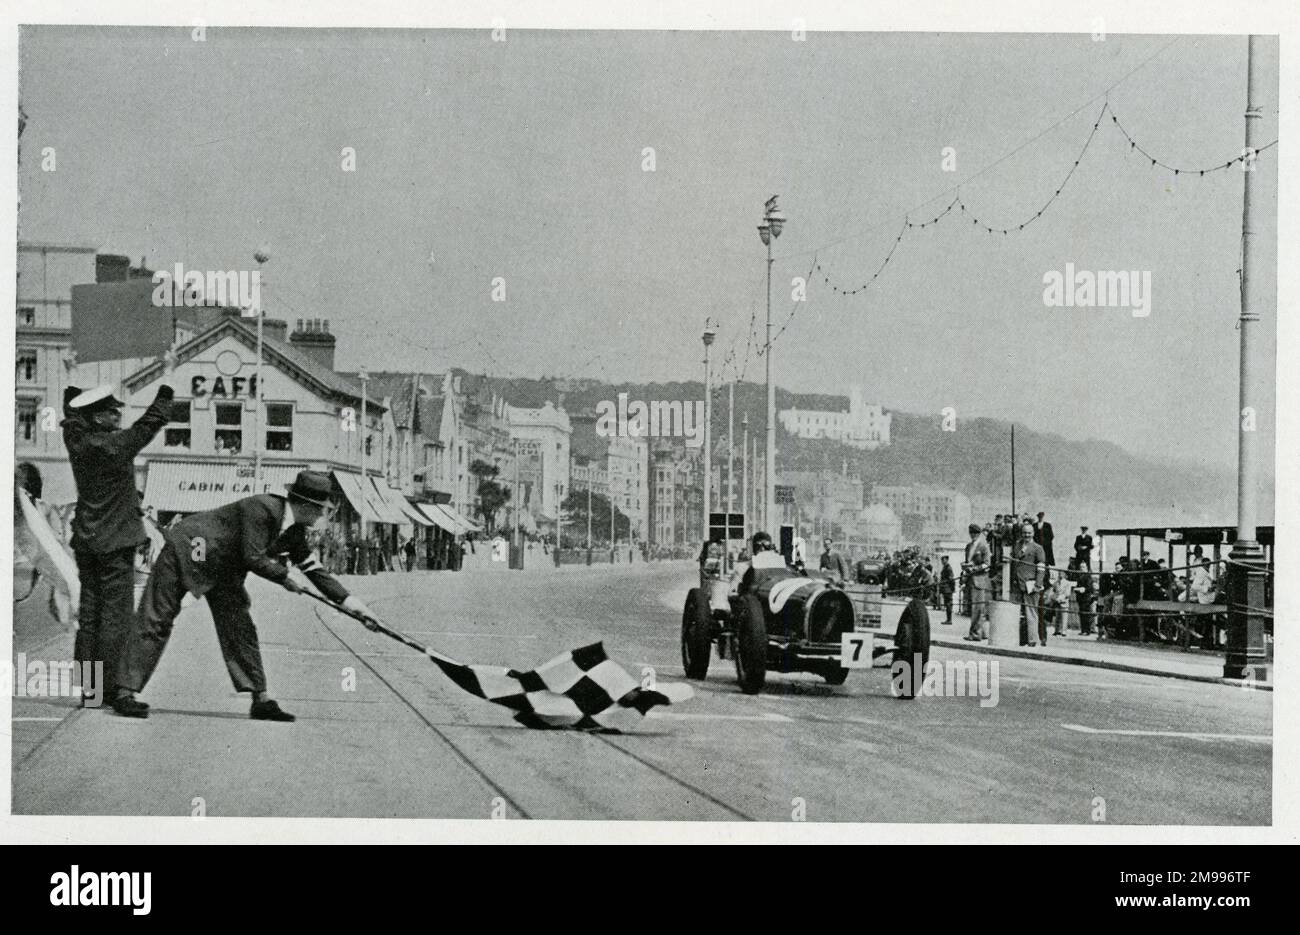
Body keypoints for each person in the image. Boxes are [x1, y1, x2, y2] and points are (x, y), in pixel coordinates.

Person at [113, 471, 382, 720]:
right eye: (322, 509)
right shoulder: (262, 508)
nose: (323, 515)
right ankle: (125, 692)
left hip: (222, 568)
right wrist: (284, 577)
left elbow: (315, 571)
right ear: (307, 505)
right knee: (157, 618)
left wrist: (353, 604)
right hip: (190, 547)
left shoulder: (294, 531)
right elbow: (252, 556)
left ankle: (261, 699)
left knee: (240, 626)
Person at [63, 382, 174, 705]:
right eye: (111, 412)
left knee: (90, 616)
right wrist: (166, 393)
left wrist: (72, 397)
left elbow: (71, 416)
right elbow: (149, 424)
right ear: (97, 418)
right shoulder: (115, 446)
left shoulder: (76, 439)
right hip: (116, 543)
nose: (117, 416)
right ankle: (111, 688)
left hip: (87, 539)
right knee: (116, 618)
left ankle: (90, 690)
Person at [1011, 522, 1047, 646]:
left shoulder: (1038, 548)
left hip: (1030, 585)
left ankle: (1032, 640)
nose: (1026, 535)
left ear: (1033, 533)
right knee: (1016, 614)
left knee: (1031, 613)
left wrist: (1038, 584)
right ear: (1021, 533)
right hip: (1016, 585)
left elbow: (1041, 568)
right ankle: (1018, 639)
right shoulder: (1016, 545)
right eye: (1024, 532)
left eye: (1029, 533)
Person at [963, 523, 992, 641]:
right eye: (971, 533)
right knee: (975, 608)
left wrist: (973, 568)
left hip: (980, 580)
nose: (973, 535)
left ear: (979, 534)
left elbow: (987, 564)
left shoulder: (984, 546)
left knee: (978, 609)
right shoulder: (968, 546)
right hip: (970, 580)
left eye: (975, 533)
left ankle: (975, 634)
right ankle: (983, 633)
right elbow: (967, 561)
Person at [939, 554, 956, 625]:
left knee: (948, 604)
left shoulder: (948, 568)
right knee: (947, 604)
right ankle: (948, 619)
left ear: (946, 560)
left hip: (948, 588)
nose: (942, 561)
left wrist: (953, 588)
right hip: (946, 588)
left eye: (943, 560)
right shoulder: (945, 567)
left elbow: (951, 579)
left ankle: (949, 620)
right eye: (942, 560)